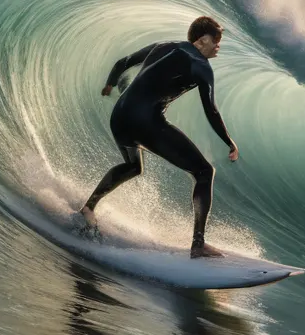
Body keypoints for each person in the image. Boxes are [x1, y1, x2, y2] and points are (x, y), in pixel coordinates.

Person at [80, 15, 239, 258]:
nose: (218, 45)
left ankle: (89, 207)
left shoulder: (162, 45)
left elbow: (123, 62)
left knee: (132, 167)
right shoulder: (200, 66)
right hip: (146, 122)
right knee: (204, 172)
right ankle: (198, 245)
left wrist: (110, 85)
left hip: (120, 117)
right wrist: (229, 141)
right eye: (216, 40)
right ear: (203, 39)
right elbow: (211, 110)